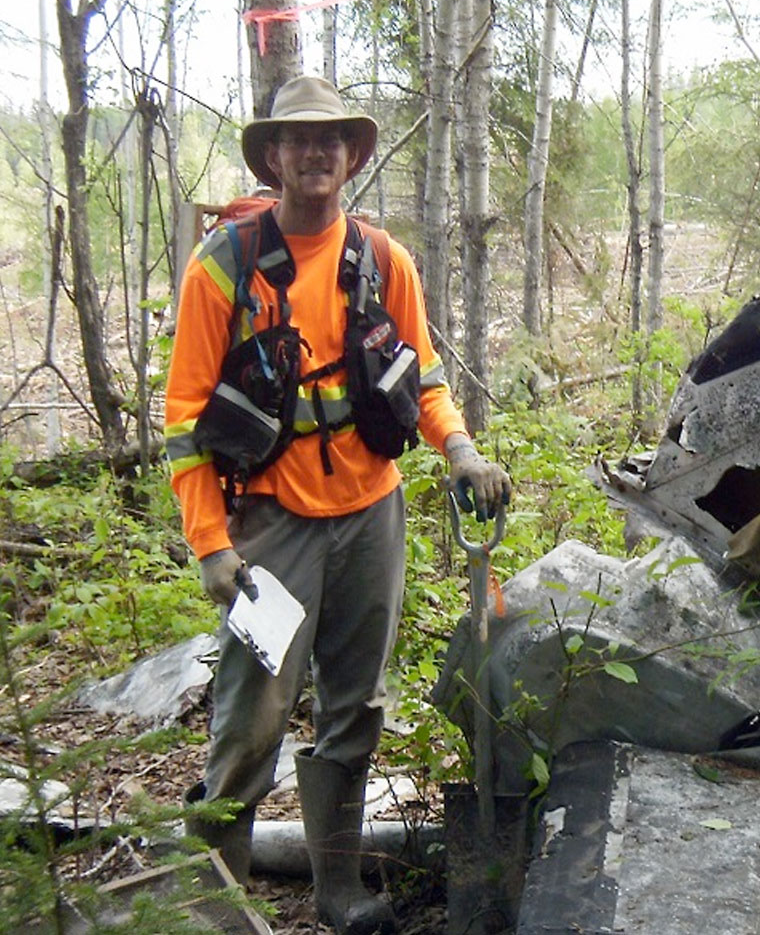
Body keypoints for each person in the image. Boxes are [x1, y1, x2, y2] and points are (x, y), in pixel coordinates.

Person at [164, 75, 509, 935]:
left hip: (371, 517)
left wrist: (459, 447)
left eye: (331, 142)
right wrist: (212, 543)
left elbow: (420, 374)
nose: (314, 155)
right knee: (253, 714)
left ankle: (340, 887)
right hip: (271, 528)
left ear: (350, 157)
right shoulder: (223, 269)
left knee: (356, 704)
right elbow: (183, 424)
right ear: (273, 157)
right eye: (296, 142)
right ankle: (217, 904)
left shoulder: (384, 260)